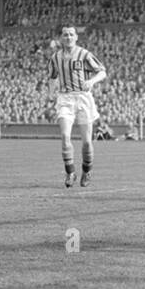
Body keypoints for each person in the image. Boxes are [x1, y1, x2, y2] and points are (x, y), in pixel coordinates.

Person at [48, 25, 107, 187]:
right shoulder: (55, 57)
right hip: (65, 99)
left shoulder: (84, 54)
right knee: (65, 136)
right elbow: (52, 77)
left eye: (71, 34)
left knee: (87, 141)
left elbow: (102, 72)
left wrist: (91, 81)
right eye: (65, 35)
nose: (68, 37)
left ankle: (87, 171)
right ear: (61, 38)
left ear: (76, 37)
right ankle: (70, 173)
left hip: (83, 98)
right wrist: (51, 91)